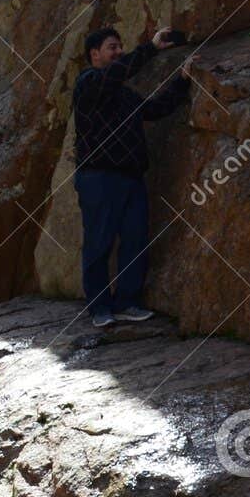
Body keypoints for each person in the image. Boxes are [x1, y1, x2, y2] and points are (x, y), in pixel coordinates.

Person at [72, 25, 192, 328]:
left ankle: (127, 302)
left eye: (120, 46)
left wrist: (181, 82)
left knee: (135, 241)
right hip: (98, 178)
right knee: (99, 243)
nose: (118, 51)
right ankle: (99, 307)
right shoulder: (88, 84)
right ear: (94, 54)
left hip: (131, 178)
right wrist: (150, 47)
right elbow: (116, 74)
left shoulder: (124, 96)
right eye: (112, 47)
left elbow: (155, 109)